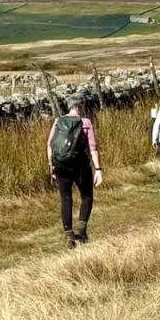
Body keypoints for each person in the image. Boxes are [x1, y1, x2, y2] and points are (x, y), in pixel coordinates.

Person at [48, 97, 103, 249]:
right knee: (87, 196)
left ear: (68, 106)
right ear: (80, 107)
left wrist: (51, 166)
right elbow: (93, 147)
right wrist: (98, 169)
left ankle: (69, 236)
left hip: (61, 166)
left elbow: (50, 145)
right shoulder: (85, 122)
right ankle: (82, 230)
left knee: (65, 199)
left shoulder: (58, 121)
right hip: (81, 166)